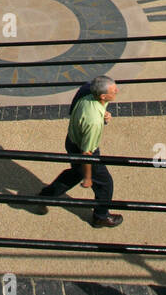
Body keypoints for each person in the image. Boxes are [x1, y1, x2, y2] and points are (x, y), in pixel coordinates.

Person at [37, 76, 122, 228]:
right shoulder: (93, 122)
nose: (117, 90)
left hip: (71, 140)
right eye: (113, 90)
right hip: (83, 148)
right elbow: (87, 153)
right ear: (103, 96)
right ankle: (100, 216)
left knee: (75, 173)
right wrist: (88, 178)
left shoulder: (87, 90)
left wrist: (103, 115)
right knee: (105, 184)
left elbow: (75, 111)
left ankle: (45, 197)